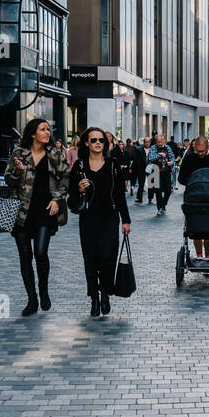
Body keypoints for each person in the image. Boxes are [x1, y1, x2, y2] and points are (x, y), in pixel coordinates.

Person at [4, 118, 69, 317]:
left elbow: (65, 177)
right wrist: (17, 170)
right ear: (33, 133)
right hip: (21, 213)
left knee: (40, 253)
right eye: (43, 129)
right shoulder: (19, 154)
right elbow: (8, 180)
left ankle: (44, 290)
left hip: (45, 211)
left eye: (48, 129)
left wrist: (58, 199)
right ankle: (31, 299)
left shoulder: (55, 154)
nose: (47, 132)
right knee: (25, 257)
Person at [69, 128, 131, 318]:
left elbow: (120, 195)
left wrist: (126, 220)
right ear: (86, 143)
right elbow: (71, 201)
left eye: (101, 140)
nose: (98, 143)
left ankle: (105, 292)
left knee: (107, 257)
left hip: (110, 217)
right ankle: (94, 297)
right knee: (91, 259)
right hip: (88, 218)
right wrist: (79, 190)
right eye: (93, 140)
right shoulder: (79, 166)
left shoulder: (113, 165)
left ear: (106, 143)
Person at [147, 133, 175, 215]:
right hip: (156, 172)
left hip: (166, 172)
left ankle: (163, 203)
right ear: (155, 141)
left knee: (168, 191)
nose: (159, 143)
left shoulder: (167, 147)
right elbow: (150, 158)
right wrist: (159, 154)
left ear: (163, 141)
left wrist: (171, 162)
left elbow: (172, 157)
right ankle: (160, 208)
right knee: (158, 191)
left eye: (161, 142)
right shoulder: (152, 148)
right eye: (158, 142)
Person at [130, 137, 148, 203]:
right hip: (141, 169)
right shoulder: (139, 149)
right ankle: (139, 198)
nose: (147, 143)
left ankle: (150, 197)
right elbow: (135, 160)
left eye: (148, 142)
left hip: (151, 168)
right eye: (145, 142)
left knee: (153, 184)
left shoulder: (152, 149)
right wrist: (132, 168)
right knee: (141, 184)